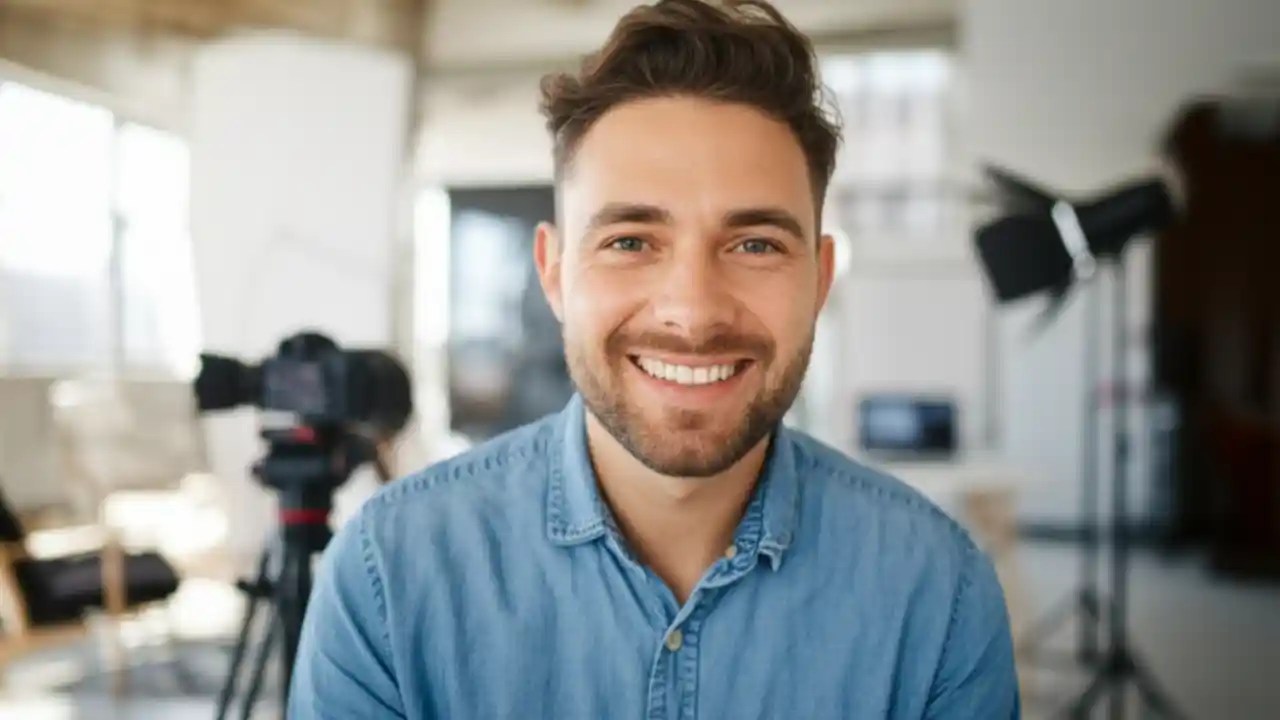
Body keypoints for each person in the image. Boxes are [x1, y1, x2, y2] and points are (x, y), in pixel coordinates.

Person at [289, 1, 1019, 717]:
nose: (694, 312)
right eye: (631, 241)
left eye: (755, 245)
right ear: (554, 273)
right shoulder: (391, 574)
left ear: (820, 280)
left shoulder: (937, 595)